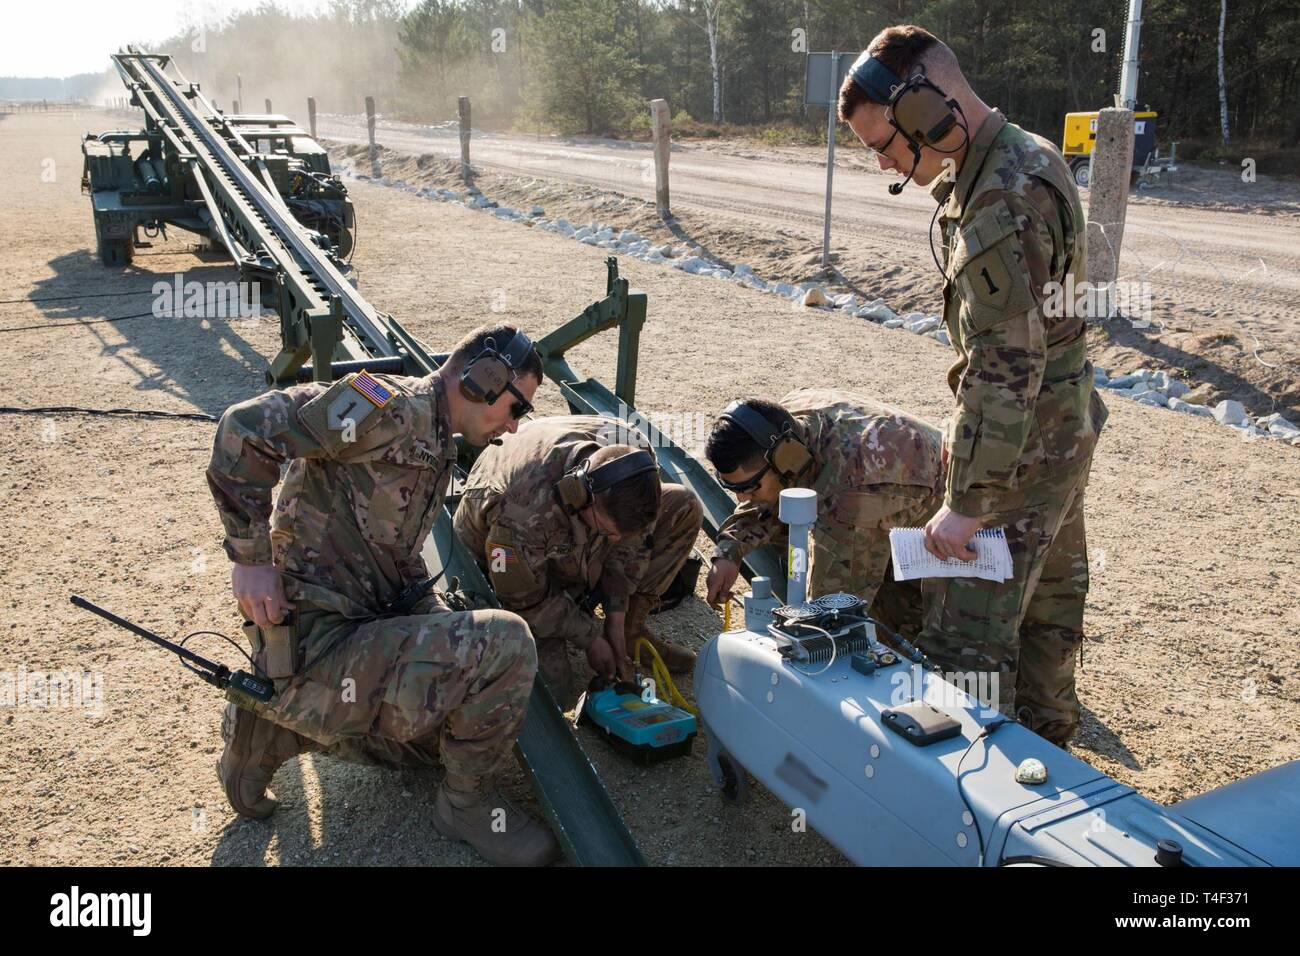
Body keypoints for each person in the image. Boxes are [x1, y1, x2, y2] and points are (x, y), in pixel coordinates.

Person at [838, 25, 1108, 745]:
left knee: (966, 658)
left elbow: (1005, 368)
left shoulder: (999, 201)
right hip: (1064, 432)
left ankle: (973, 819)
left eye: (884, 143)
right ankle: (1054, 767)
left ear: (927, 108)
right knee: (1050, 612)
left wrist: (966, 507)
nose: (883, 163)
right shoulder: (1027, 153)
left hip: (1018, 459)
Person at [207, 324, 559, 866]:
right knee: (507, 643)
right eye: (516, 408)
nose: (514, 427)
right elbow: (244, 429)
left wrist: (431, 617)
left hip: (360, 629)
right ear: (484, 380)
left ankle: (277, 729)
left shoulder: (437, 442)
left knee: (446, 727)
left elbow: (393, 555)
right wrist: (251, 561)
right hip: (318, 639)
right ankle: (463, 809)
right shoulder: (382, 406)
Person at [454, 415, 703, 709]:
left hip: (565, 541)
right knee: (555, 693)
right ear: (580, 494)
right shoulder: (520, 514)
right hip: (506, 570)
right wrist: (590, 638)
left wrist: (616, 618)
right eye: (609, 532)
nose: (614, 540)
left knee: (683, 505)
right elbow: (525, 599)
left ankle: (631, 632)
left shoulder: (635, 457)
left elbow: (630, 546)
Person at [704, 390, 942, 637]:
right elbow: (767, 494)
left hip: (961, 543)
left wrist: (810, 633)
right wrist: (728, 552)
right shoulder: (780, 427)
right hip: (879, 502)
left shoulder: (856, 491)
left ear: (787, 459)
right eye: (735, 488)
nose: (741, 498)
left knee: (898, 635)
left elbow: (833, 606)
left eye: (749, 487)